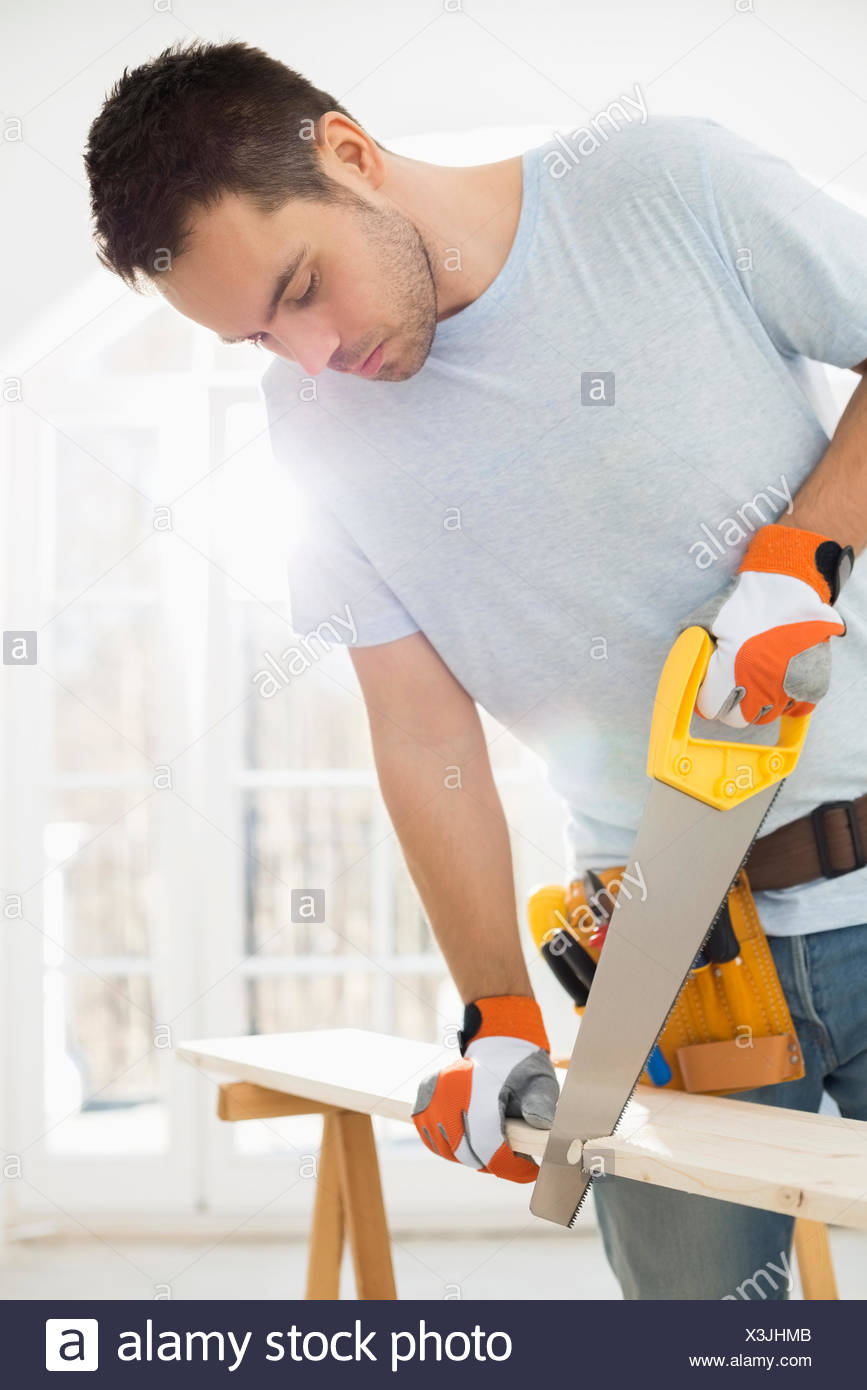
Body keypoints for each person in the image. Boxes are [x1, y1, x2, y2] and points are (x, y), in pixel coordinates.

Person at [84, 38, 867, 1299]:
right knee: (712, 1350)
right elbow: (422, 735)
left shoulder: (665, 188)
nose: (312, 354)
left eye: (303, 286)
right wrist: (496, 1008)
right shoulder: (315, 431)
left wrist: (803, 554)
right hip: (668, 951)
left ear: (347, 153)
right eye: (259, 338)